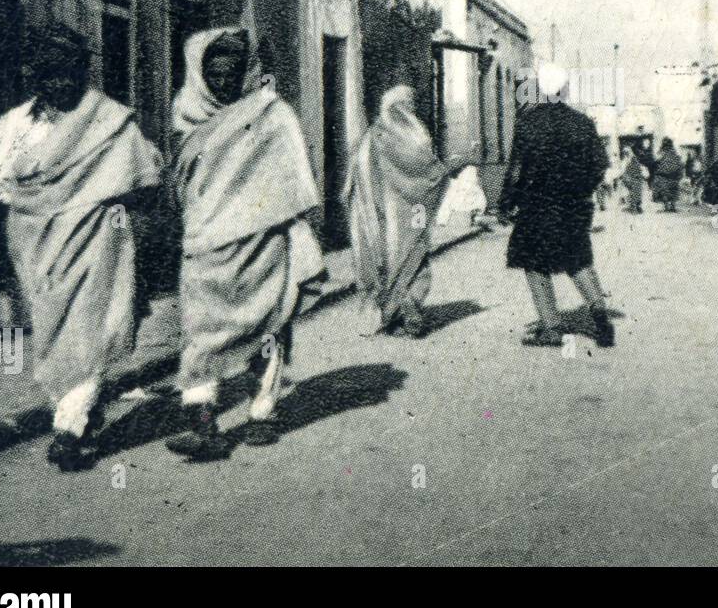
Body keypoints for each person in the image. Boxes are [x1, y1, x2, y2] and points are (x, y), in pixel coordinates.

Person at [0, 24, 163, 472]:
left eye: (69, 72)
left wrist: (100, 201)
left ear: (83, 71)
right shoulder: (14, 126)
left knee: (89, 326)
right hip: (34, 247)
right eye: (49, 73)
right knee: (51, 333)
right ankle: (80, 409)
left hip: (98, 241)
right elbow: (0, 186)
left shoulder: (111, 123)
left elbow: (146, 184)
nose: (61, 83)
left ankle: (68, 426)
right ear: (34, 77)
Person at [165, 28, 327, 461]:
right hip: (204, 241)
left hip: (263, 239)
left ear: (246, 72)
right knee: (200, 332)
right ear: (200, 74)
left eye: (232, 73)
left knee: (268, 326)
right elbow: (182, 180)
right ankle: (202, 423)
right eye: (213, 74)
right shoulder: (186, 114)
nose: (224, 83)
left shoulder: (272, 114)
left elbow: (293, 174)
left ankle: (263, 411)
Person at [499, 64, 613, 348]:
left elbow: (516, 170)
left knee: (534, 263)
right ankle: (600, 315)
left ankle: (551, 327)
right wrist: (581, 189)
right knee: (577, 259)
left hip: (537, 205)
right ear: (564, 89)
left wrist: (505, 202)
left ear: (540, 89)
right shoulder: (582, 122)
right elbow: (600, 164)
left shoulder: (528, 122)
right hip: (574, 204)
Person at [352, 85, 475, 338]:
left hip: (381, 216)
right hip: (414, 212)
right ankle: (410, 304)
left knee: (385, 262)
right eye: (411, 103)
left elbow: (358, 176)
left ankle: (393, 313)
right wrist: (451, 166)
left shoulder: (372, 136)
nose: (414, 108)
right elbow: (429, 174)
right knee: (415, 256)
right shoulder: (416, 135)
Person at [650, 137, 683, 212]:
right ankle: (672, 206)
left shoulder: (662, 152)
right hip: (674, 176)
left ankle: (667, 207)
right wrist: (679, 175)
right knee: (673, 191)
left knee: (664, 191)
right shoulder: (674, 153)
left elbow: (656, 161)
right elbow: (679, 164)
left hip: (664, 176)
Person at [620, 147, 645, 213]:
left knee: (634, 193)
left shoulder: (633, 159)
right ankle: (634, 207)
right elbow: (623, 170)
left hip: (634, 179)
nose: (626, 154)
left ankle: (635, 207)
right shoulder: (627, 160)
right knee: (632, 193)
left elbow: (634, 169)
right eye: (625, 153)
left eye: (627, 152)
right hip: (630, 179)